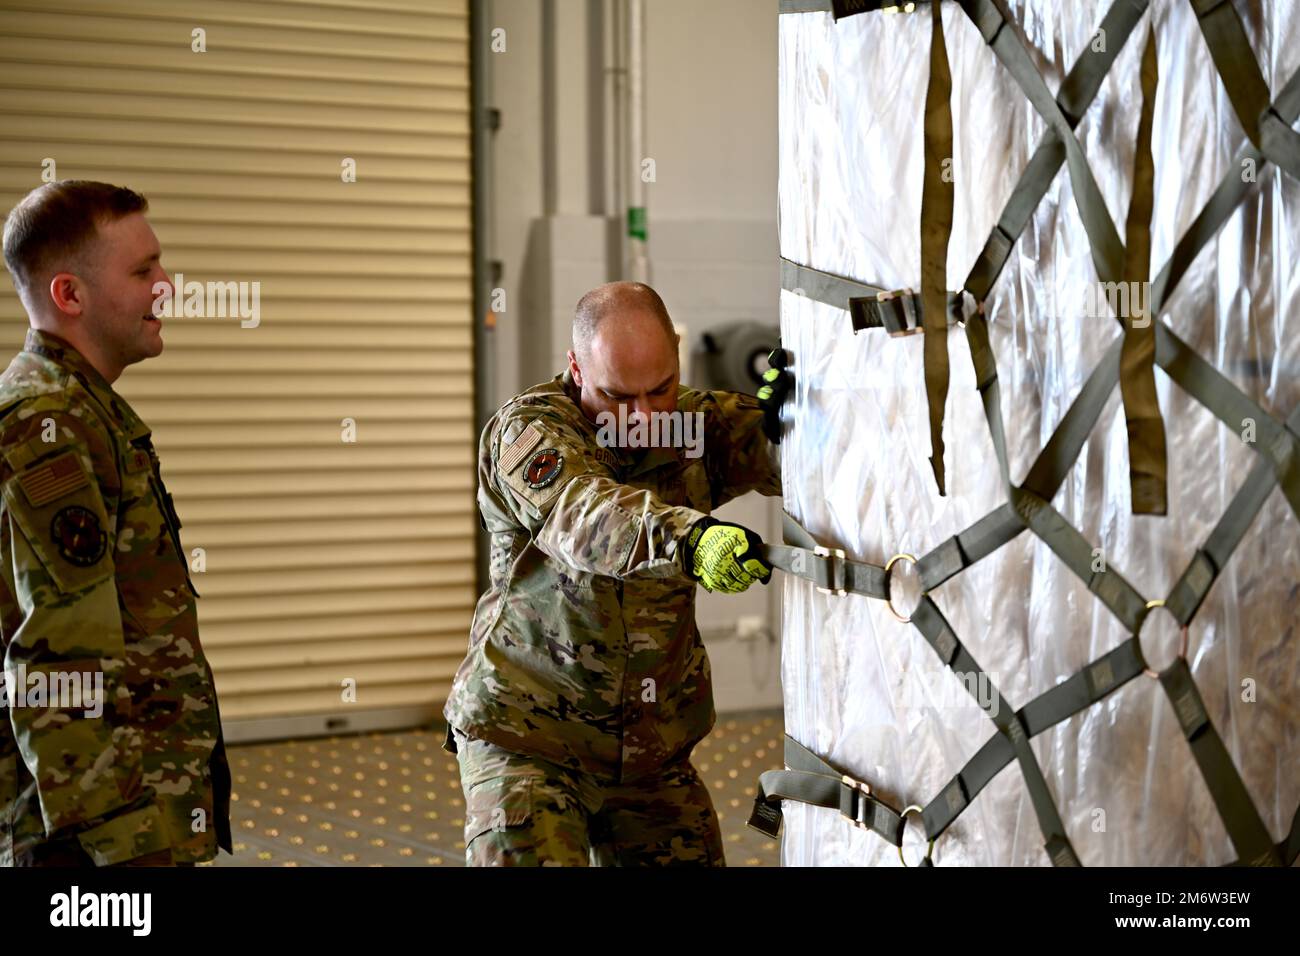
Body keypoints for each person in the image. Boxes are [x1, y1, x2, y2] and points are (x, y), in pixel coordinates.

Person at [443, 280, 792, 865]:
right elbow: (585, 512)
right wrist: (691, 538)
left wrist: (802, 414)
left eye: (661, 389)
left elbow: (805, 459)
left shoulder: (692, 424)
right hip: (529, 738)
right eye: (618, 397)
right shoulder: (530, 434)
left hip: (649, 751)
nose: (645, 416)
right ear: (576, 368)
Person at [0, 181, 231, 867]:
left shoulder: (85, 411)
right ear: (69, 295)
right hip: (100, 832)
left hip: (135, 808)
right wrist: (116, 848)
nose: (167, 287)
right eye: (142, 271)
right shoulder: (48, 425)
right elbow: (60, 654)